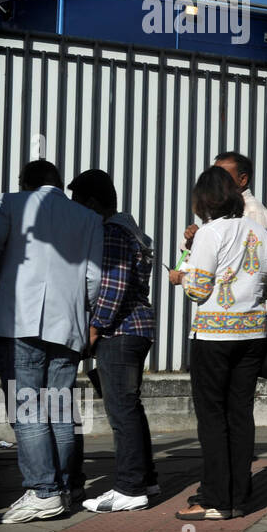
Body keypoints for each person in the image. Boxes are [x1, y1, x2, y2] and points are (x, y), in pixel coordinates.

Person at [0, 160, 102, 523]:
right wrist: (81, 314)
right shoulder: (88, 217)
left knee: (28, 409)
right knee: (60, 409)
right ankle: (67, 486)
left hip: (20, 319)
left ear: (26, 182)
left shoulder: (11, 203)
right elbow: (94, 278)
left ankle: (43, 491)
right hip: (67, 323)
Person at [168, 166, 267, 520]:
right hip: (253, 332)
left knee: (212, 418)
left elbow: (198, 288)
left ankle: (215, 497)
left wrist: (181, 277)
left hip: (214, 336)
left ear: (203, 201)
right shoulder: (261, 231)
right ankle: (240, 496)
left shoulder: (210, 234)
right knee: (241, 415)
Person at [68, 169, 160, 512]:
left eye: (79, 203)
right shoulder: (129, 228)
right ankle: (145, 479)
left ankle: (129, 488)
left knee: (121, 411)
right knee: (130, 409)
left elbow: (113, 286)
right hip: (133, 329)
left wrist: (93, 330)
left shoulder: (112, 232)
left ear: (92, 203)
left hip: (120, 332)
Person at [183, 151, 267, 253]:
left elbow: (251, 257)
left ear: (242, 179)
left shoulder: (253, 212)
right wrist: (196, 239)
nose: (215, 181)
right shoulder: (222, 206)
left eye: (222, 176)